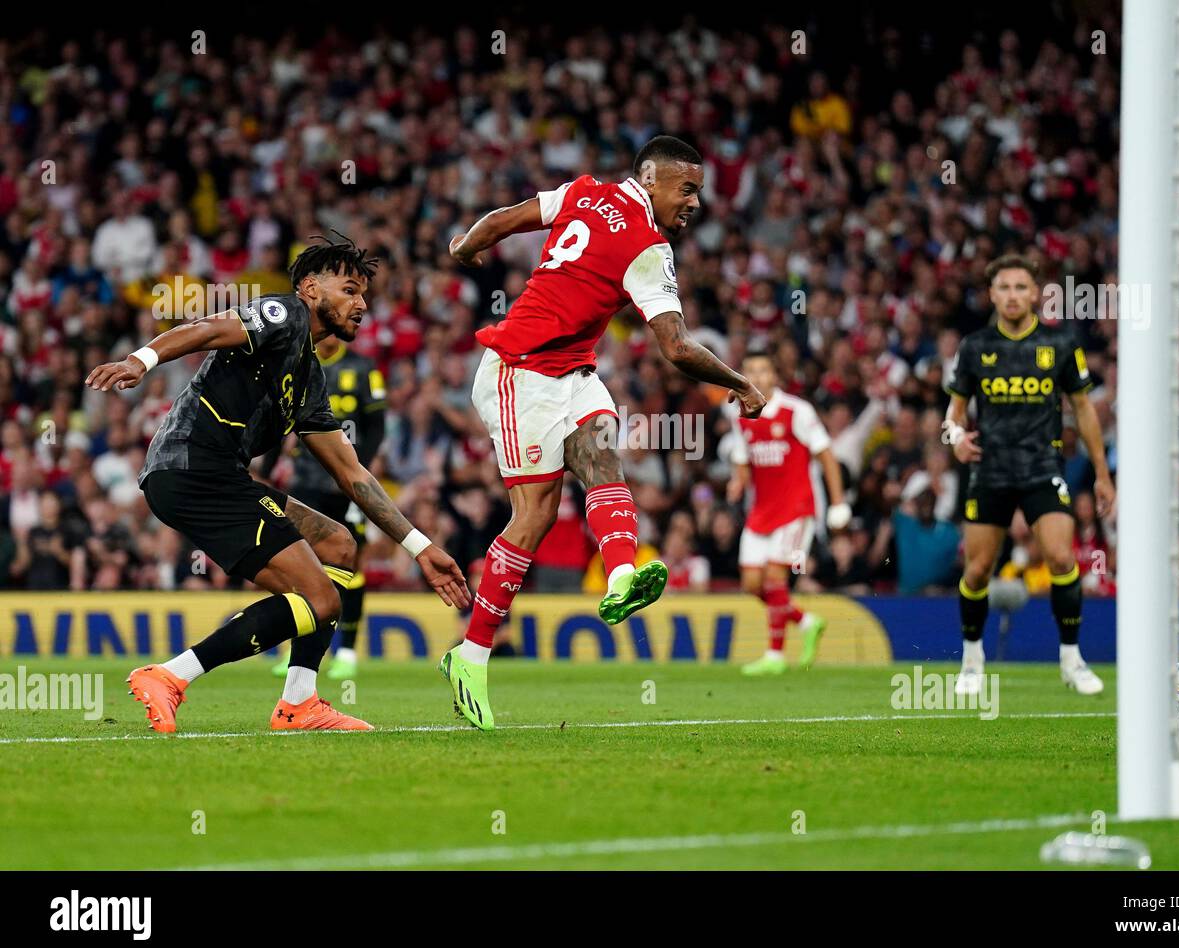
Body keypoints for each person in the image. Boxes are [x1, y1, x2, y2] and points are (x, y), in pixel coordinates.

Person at [84, 235, 469, 733]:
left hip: (215, 477)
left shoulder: (308, 377)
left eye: (365, 295)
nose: (362, 304)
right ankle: (171, 676)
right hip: (193, 471)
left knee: (338, 546)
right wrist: (142, 360)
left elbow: (354, 475)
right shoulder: (282, 315)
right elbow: (205, 328)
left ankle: (299, 704)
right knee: (322, 599)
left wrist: (420, 547)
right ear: (310, 288)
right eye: (350, 290)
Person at [443, 135, 766, 729]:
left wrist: (467, 247)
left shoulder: (587, 191)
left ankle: (621, 574)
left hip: (570, 368)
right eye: (687, 189)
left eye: (699, 191)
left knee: (601, 452)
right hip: (520, 371)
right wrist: (740, 384)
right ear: (653, 180)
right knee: (534, 516)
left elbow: (510, 219)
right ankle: (470, 656)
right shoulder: (647, 246)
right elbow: (676, 347)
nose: (694, 203)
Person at [943, 253, 1114, 696]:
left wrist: (1101, 474)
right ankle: (972, 661)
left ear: (1036, 293)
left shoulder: (1060, 344)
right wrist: (955, 438)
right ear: (991, 294)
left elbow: (1083, 410)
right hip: (991, 468)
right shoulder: (975, 347)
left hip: (1043, 466)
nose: (1013, 295)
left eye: (1021, 287)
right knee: (978, 570)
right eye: (1004, 288)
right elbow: (954, 414)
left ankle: (1072, 659)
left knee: (1061, 558)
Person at [270, 334, 387, 681]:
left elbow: (377, 427)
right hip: (306, 482)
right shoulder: (300, 364)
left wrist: (356, 474)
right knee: (299, 563)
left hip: (346, 485)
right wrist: (268, 465)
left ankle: (347, 651)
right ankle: (298, 649)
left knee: (353, 562)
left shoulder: (364, 368)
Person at [727, 352, 850, 675]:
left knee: (775, 577)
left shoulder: (797, 410)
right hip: (761, 511)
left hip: (796, 510)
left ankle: (775, 655)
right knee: (752, 583)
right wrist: (738, 482)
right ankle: (806, 621)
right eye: (749, 370)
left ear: (775, 376)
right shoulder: (741, 414)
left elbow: (826, 457)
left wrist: (838, 503)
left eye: (763, 370)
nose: (756, 375)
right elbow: (742, 457)